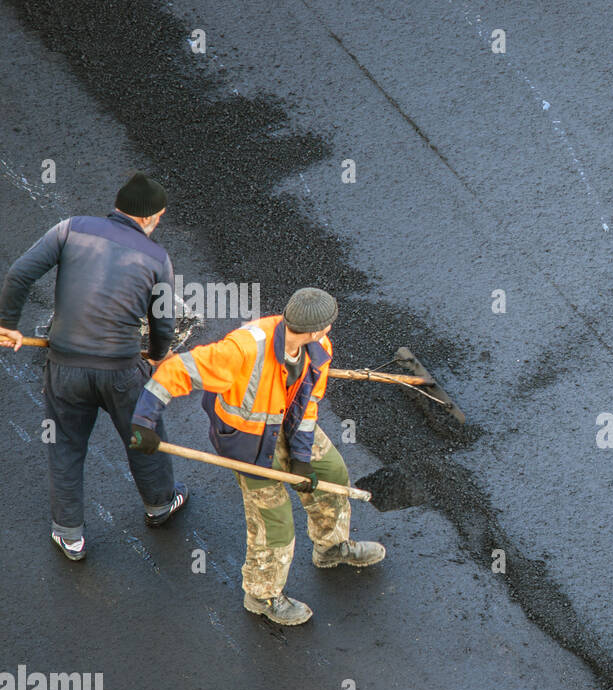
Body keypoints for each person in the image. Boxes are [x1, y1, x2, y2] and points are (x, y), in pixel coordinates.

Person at [129, 287, 384, 626]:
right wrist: (143, 422)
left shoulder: (319, 348)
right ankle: (262, 596)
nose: (330, 331)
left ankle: (331, 547)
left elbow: (309, 405)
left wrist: (302, 456)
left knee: (331, 473)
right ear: (314, 328)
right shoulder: (245, 348)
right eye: (328, 325)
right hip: (248, 442)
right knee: (274, 522)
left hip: (288, 424)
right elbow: (177, 370)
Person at [0, 172, 188, 560]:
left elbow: (19, 273)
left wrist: (7, 324)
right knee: (142, 435)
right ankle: (159, 505)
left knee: (66, 445)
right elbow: (163, 322)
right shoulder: (157, 258)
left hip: (65, 367)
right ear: (154, 216)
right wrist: (156, 356)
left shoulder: (70, 229)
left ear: (118, 207)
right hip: (121, 370)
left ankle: (69, 534)